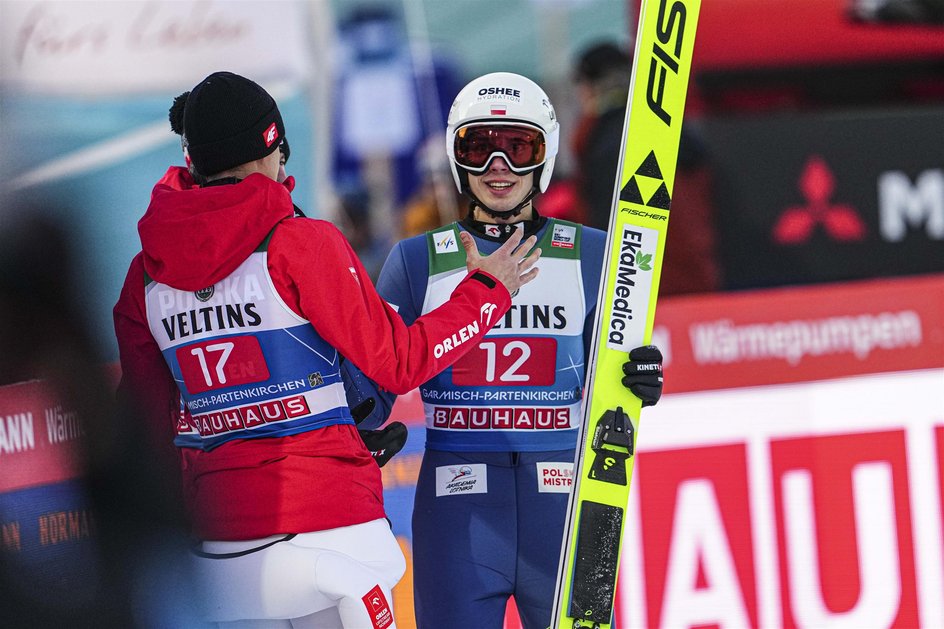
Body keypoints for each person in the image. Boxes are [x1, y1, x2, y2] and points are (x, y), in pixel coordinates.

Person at [113, 71, 542, 628]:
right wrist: (488, 291)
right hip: (334, 532)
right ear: (270, 148)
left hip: (220, 556)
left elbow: (143, 427)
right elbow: (402, 362)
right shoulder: (299, 243)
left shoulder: (144, 277)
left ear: (193, 160)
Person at [369, 72, 664, 629]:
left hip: (567, 503)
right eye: (478, 147)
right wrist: (352, 425)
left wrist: (642, 375)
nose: (497, 166)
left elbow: (621, 364)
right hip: (457, 510)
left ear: (544, 156)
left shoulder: (594, 254)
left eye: (518, 146)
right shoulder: (415, 261)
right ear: (456, 158)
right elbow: (375, 374)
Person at [571, 41, 721, 294]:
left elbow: (609, 229)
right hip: (698, 279)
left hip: (644, 292)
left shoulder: (609, 143)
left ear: (589, 87)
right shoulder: (673, 130)